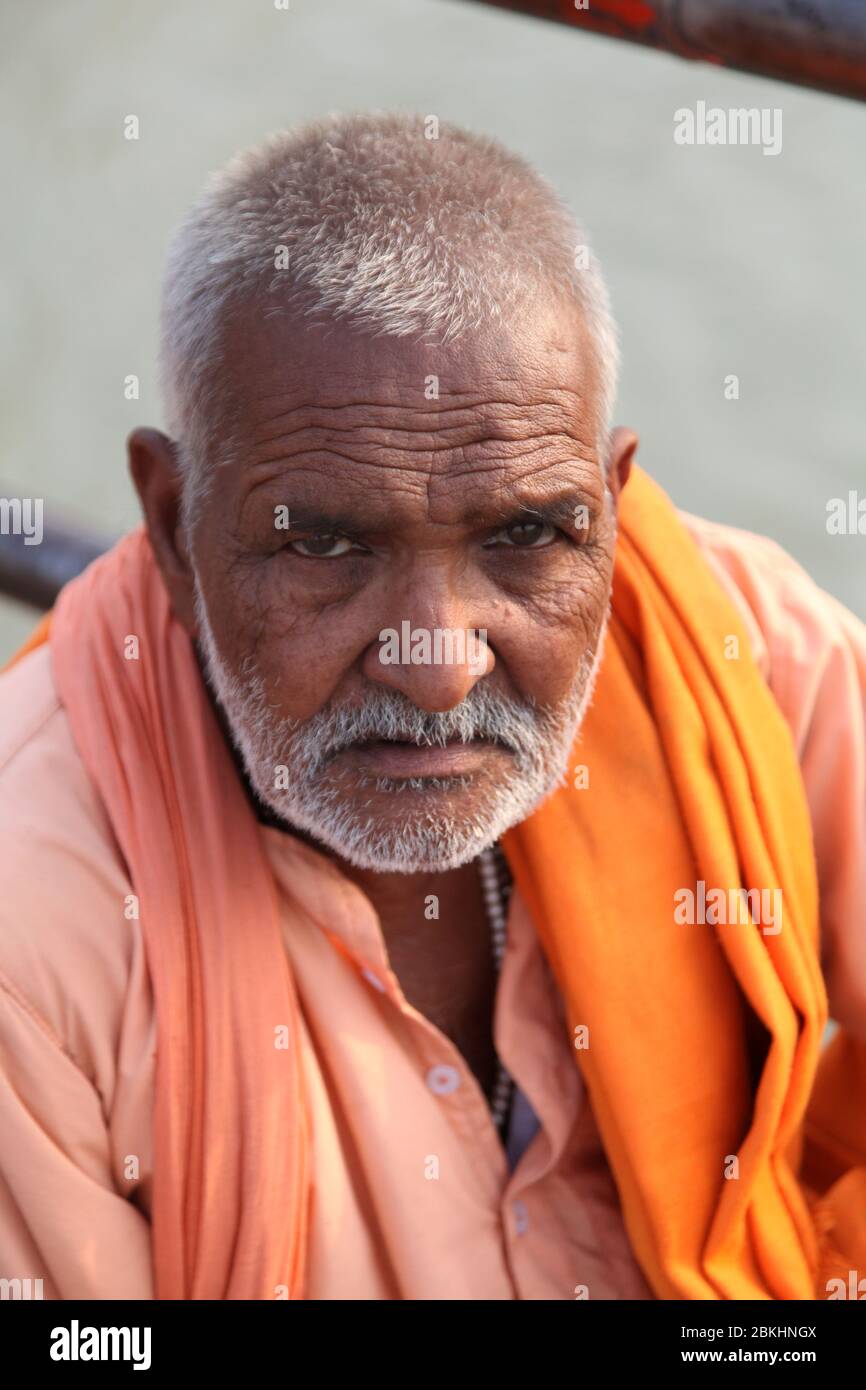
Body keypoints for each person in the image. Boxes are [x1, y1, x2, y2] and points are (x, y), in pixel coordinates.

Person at [1, 111, 864, 1301]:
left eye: (523, 536)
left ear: (607, 510)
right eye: (327, 545)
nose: (436, 661)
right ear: (171, 530)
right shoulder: (31, 919)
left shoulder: (749, 659)